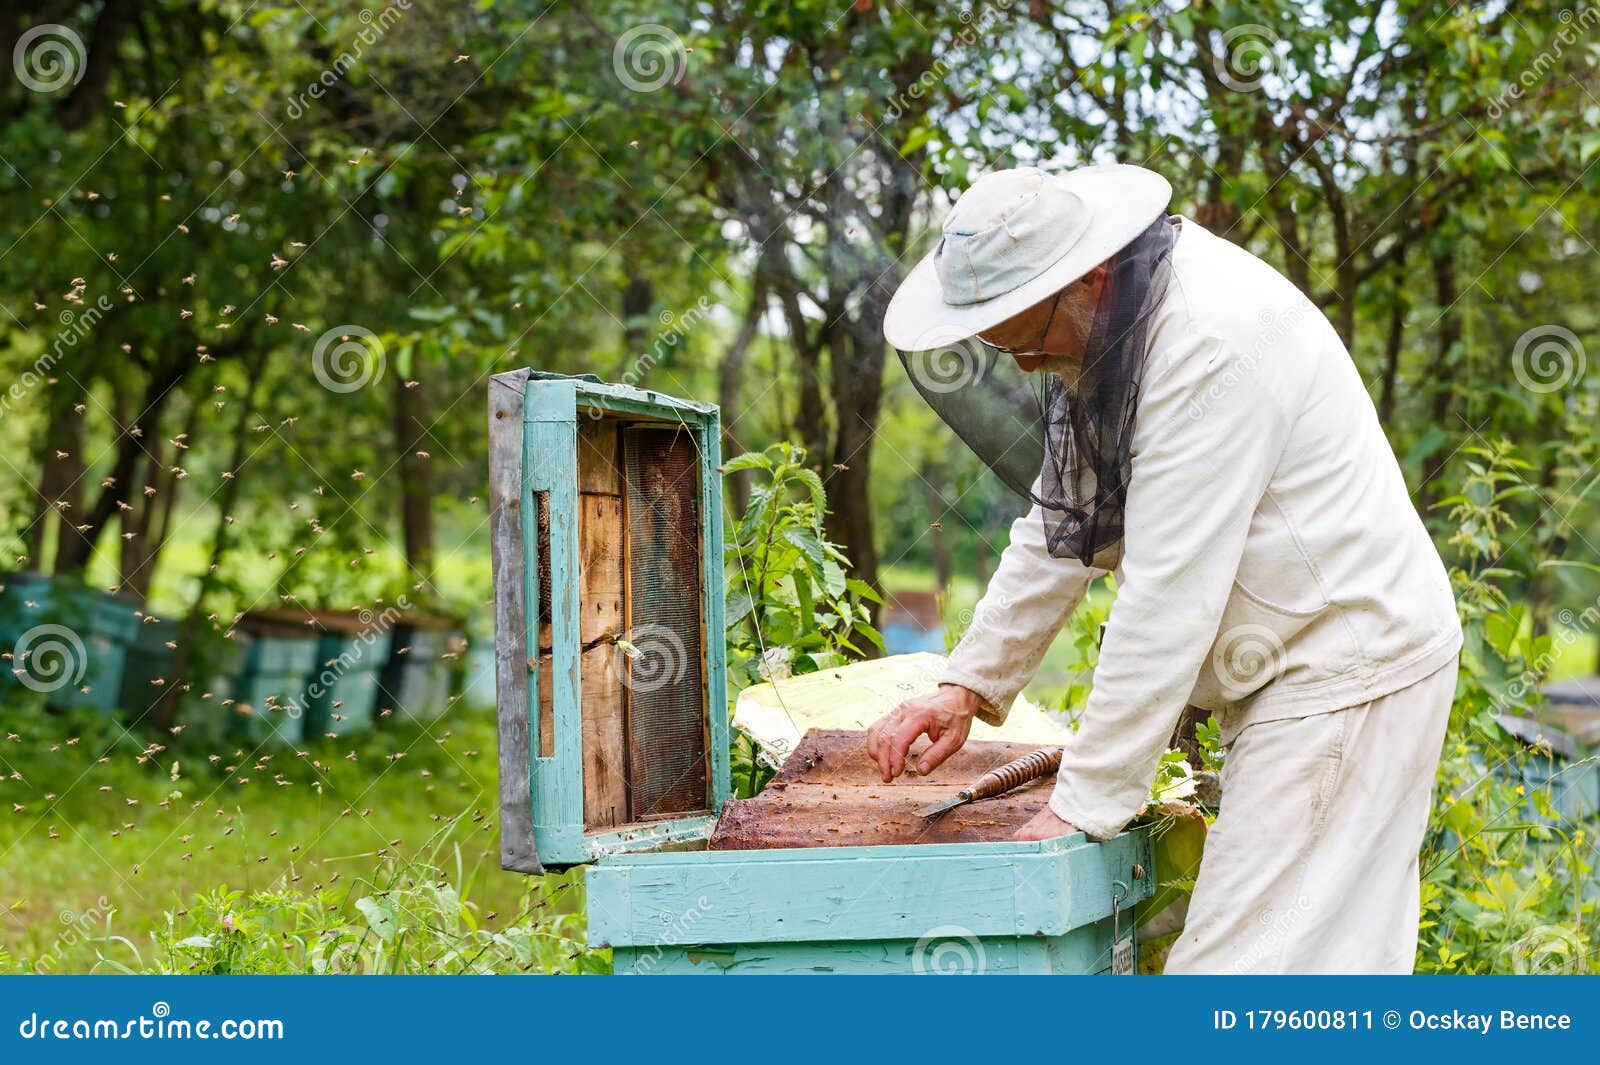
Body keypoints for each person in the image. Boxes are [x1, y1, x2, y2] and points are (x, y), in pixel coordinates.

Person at [866, 164, 1461, 974]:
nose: (1019, 359)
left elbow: (1167, 596)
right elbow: (1056, 527)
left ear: (1090, 274)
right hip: (1306, 670)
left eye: (1022, 327)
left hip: (1346, 670)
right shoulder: (1113, 333)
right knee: (1324, 976)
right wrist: (965, 684)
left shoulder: (1211, 342)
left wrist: (1083, 805)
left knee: (1232, 979)